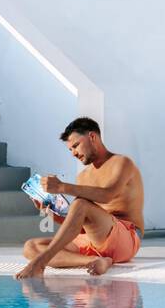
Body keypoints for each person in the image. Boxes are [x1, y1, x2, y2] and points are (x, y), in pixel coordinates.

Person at [14, 118, 144, 279]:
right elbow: (81, 226)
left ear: (92, 137)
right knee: (31, 247)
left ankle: (40, 263)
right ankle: (95, 260)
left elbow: (107, 195)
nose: (74, 153)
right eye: (70, 150)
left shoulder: (122, 163)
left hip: (125, 238)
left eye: (75, 146)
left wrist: (62, 187)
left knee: (80, 204)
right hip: (94, 239)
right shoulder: (83, 176)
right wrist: (49, 213)